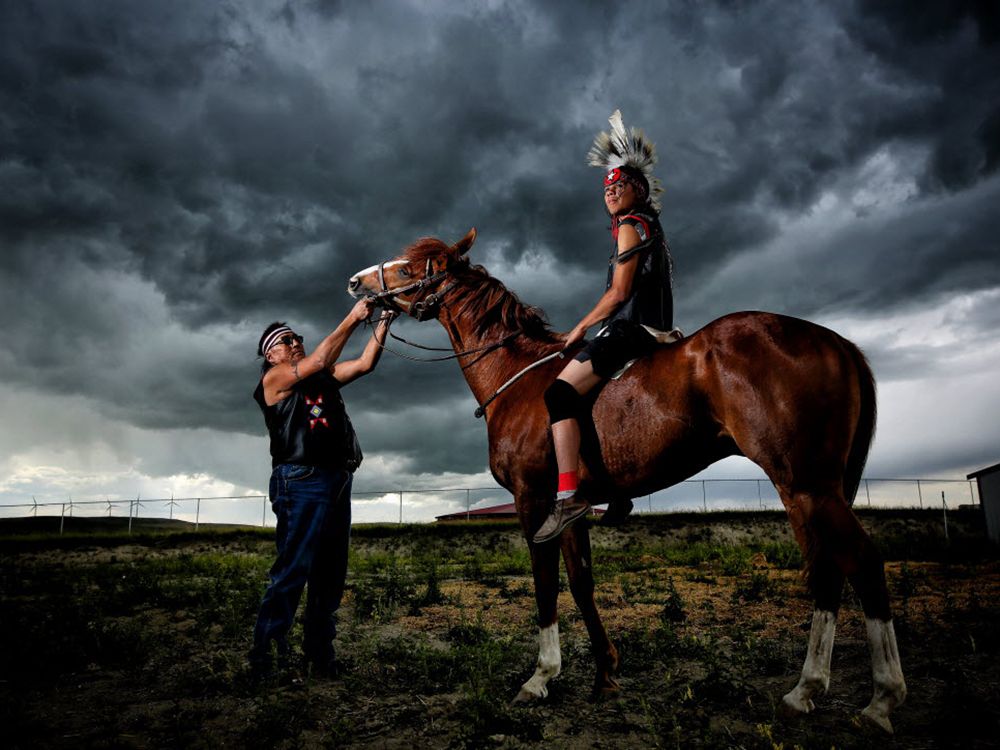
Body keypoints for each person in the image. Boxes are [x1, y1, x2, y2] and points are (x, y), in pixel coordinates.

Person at [534, 110, 674, 544]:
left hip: (632, 330)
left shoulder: (631, 226)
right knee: (591, 399)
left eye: (619, 186)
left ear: (638, 190)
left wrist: (578, 329)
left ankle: (568, 497)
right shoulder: (651, 227)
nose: (611, 192)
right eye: (606, 188)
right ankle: (617, 491)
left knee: (558, 395)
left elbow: (619, 294)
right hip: (654, 329)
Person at [249, 298, 394, 678]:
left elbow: (365, 363)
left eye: (296, 336)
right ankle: (267, 658)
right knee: (293, 568)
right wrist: (354, 316)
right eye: (285, 341)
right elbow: (317, 360)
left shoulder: (322, 378)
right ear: (270, 356)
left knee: (330, 572)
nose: (295, 341)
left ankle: (319, 655)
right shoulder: (274, 379)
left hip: (336, 479)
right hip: (300, 479)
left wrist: (385, 319)